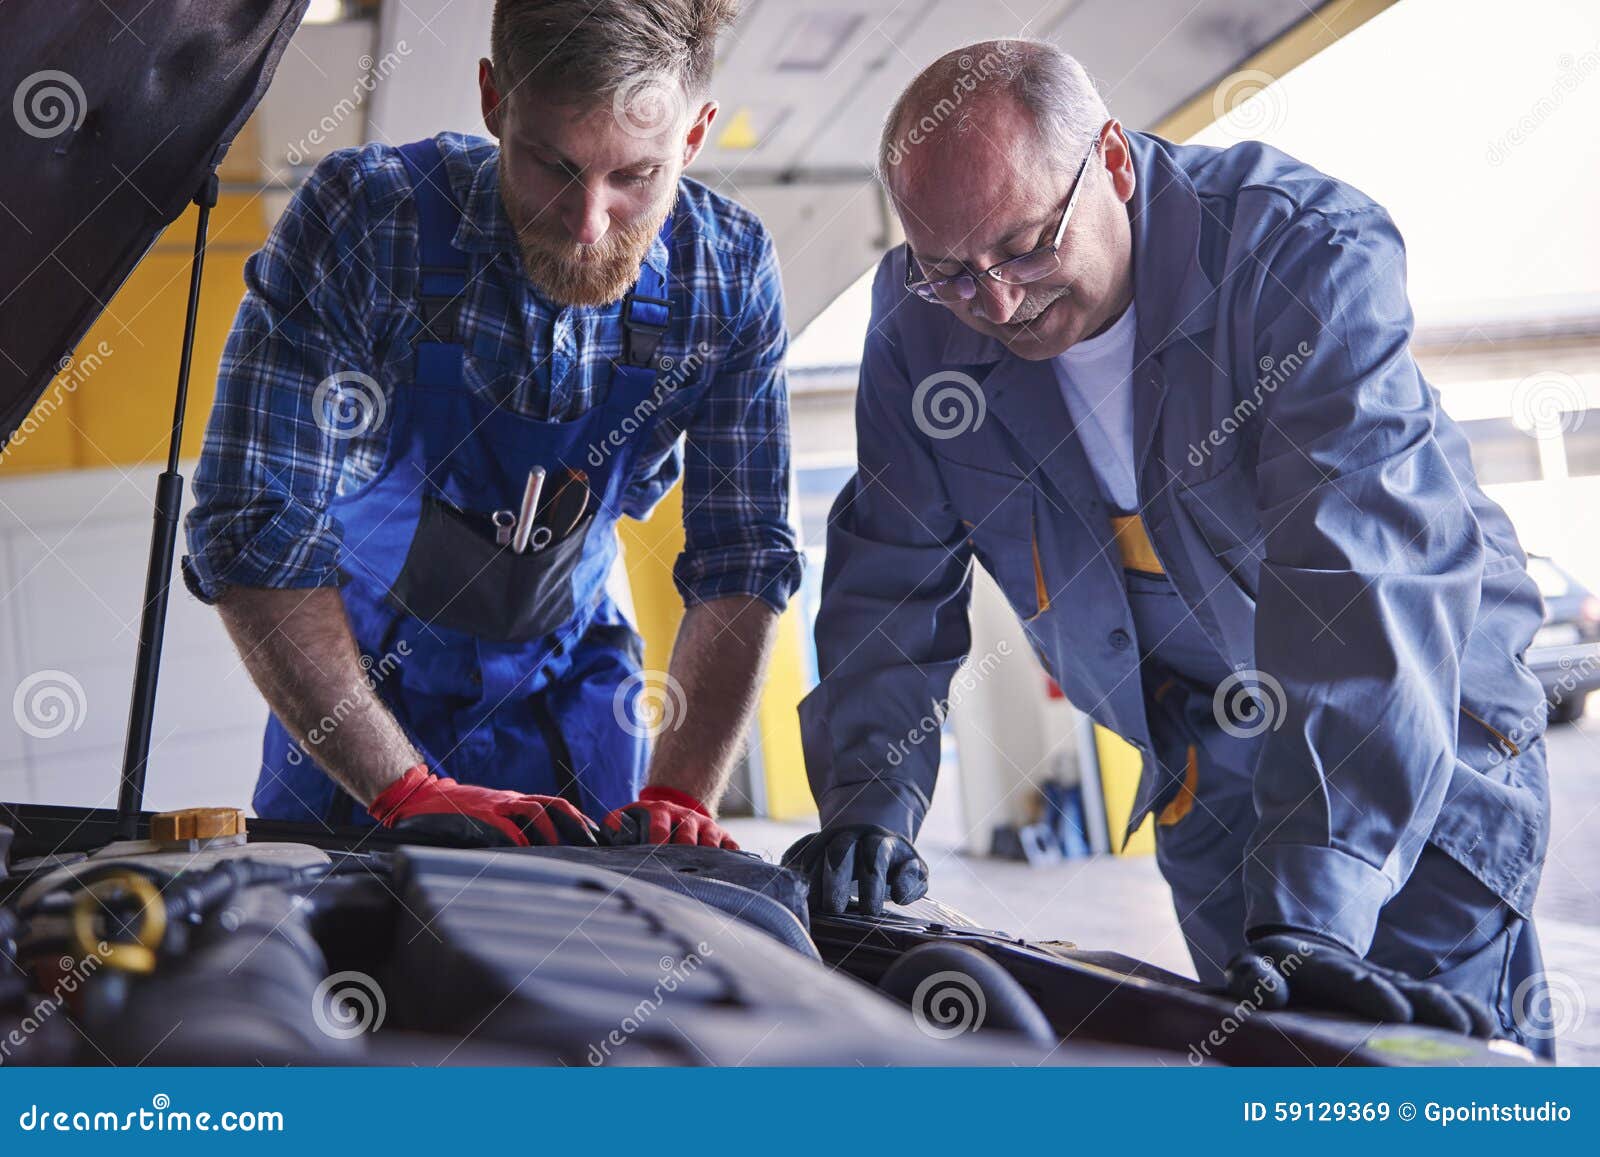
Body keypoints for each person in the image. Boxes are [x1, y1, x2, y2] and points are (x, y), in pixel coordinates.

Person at [789, 39, 1553, 1057]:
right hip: (1213, 776)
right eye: (951, 272)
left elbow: (1359, 585)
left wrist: (1317, 896)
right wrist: (867, 804)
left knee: (1439, 1083)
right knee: (1271, 1075)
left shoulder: (1301, 258)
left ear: (1109, 160)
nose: (998, 303)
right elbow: (890, 579)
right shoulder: (917, 331)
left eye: (1023, 248)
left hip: (1413, 737)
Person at [184, 0, 800, 851]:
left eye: (635, 178)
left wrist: (678, 798)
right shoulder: (371, 222)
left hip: (572, 697)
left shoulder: (725, 275)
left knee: (598, 949)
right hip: (358, 701)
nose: (588, 226)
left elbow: (744, 554)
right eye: (552, 164)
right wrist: (402, 788)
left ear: (693, 139)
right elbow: (251, 521)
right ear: (493, 101)